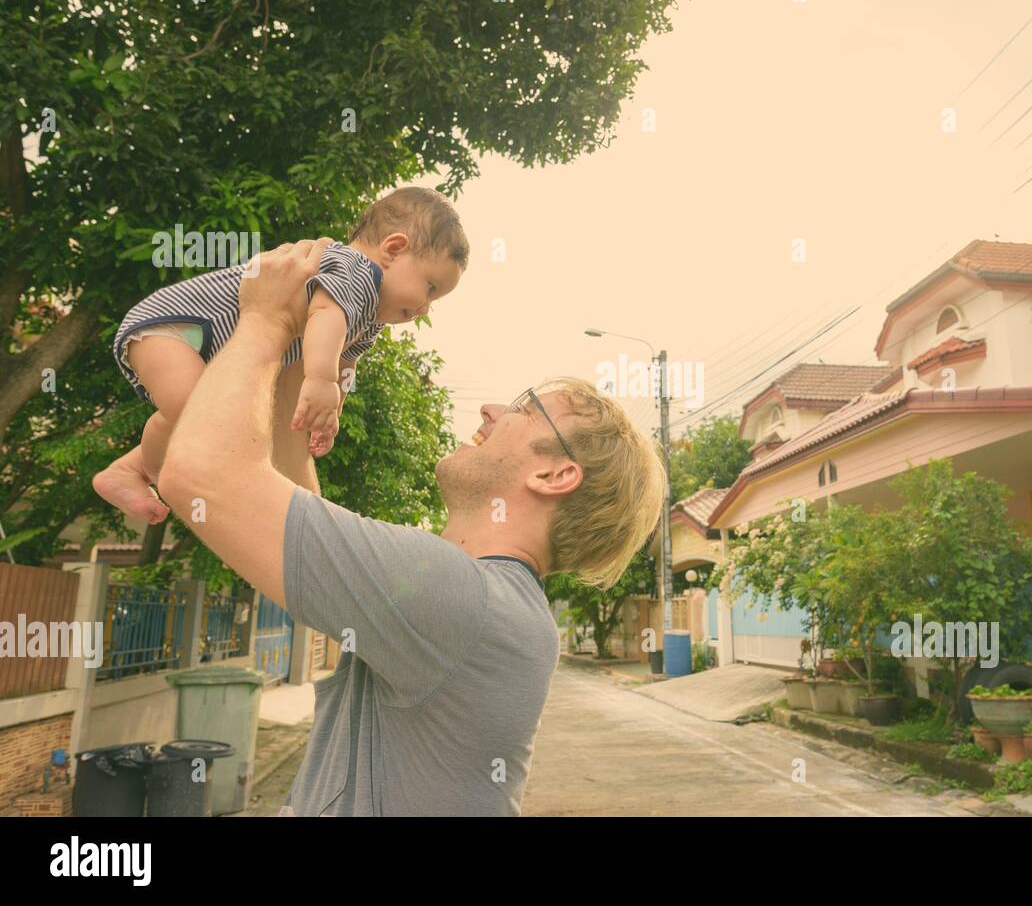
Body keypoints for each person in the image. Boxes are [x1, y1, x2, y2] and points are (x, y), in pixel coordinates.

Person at [156, 239, 666, 815]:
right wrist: (305, 373)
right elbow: (293, 520)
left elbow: (202, 475)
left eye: (526, 407)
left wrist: (264, 318)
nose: (491, 410)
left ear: (554, 474)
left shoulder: (459, 595)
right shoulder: (477, 599)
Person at [94, 187, 469, 524]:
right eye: (430, 288)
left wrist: (332, 406)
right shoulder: (357, 273)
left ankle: (133, 469)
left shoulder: (370, 317)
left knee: (207, 412)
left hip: (210, 345)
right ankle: (150, 470)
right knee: (194, 410)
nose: (425, 308)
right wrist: (319, 381)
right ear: (393, 249)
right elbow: (326, 315)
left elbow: (345, 361)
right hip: (179, 324)